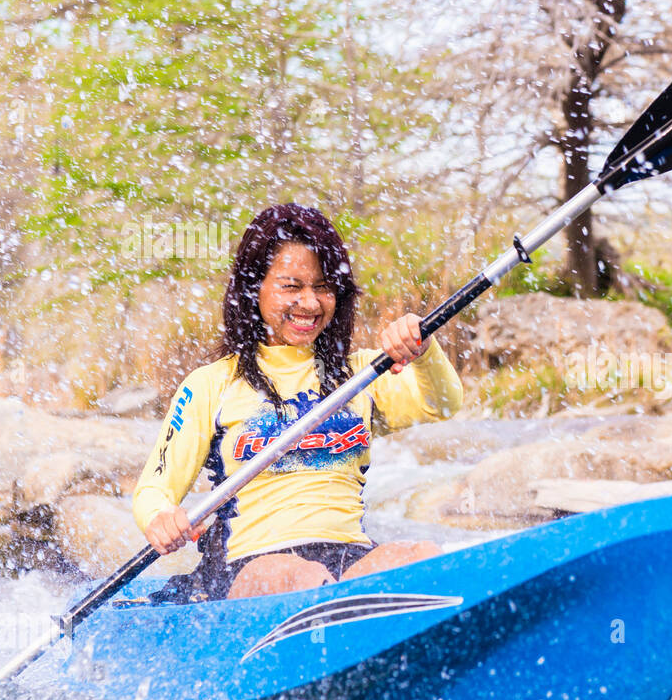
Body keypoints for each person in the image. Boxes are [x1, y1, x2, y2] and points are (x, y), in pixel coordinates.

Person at [132, 203, 463, 601]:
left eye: (323, 287)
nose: (310, 303)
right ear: (254, 289)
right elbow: (154, 487)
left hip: (351, 557)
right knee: (298, 575)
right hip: (248, 567)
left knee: (421, 556)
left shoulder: (363, 373)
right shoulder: (211, 384)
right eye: (292, 286)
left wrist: (423, 349)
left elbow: (442, 403)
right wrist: (160, 519)